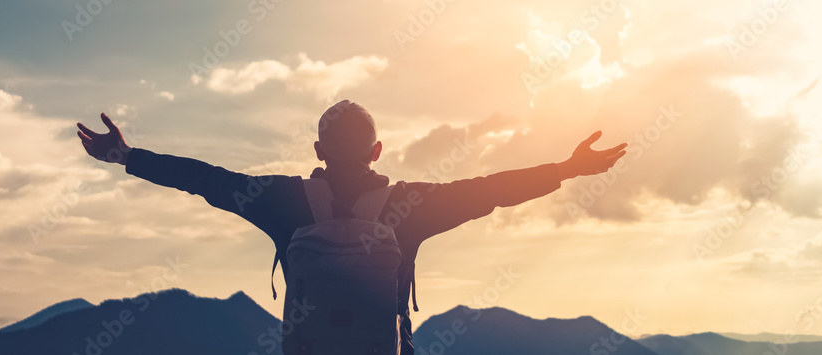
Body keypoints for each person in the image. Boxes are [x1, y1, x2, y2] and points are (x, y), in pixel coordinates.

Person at [76, 100, 626, 354]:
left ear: (317, 150)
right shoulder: (410, 205)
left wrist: (127, 155)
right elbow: (487, 191)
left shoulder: (282, 199)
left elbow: (207, 180)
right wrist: (566, 168)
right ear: (378, 150)